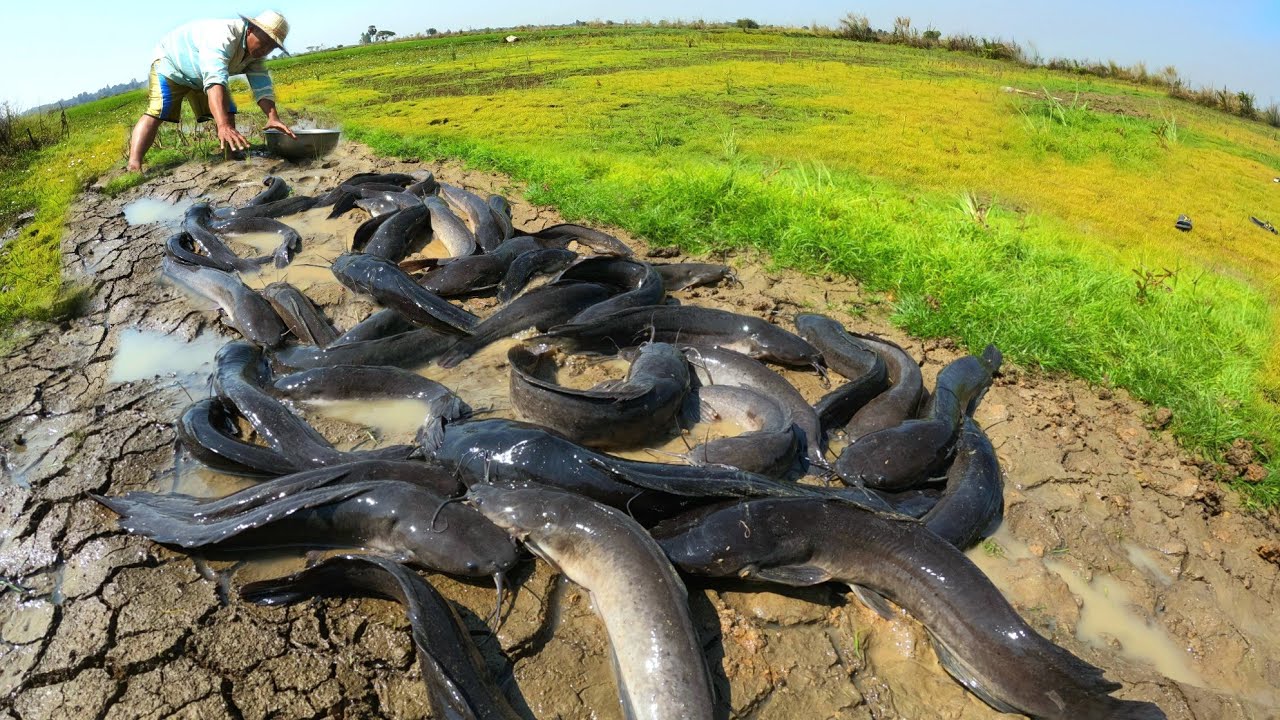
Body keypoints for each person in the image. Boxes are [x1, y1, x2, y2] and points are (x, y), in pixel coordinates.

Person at [127, 10, 297, 171]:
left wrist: (272, 117)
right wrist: (222, 125)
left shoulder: (255, 54)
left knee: (228, 111)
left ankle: (231, 157)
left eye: (272, 47)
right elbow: (215, 79)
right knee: (157, 111)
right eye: (265, 42)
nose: (265, 50)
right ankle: (134, 165)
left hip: (201, 74)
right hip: (171, 66)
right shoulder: (224, 36)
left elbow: (261, 83)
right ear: (251, 29)